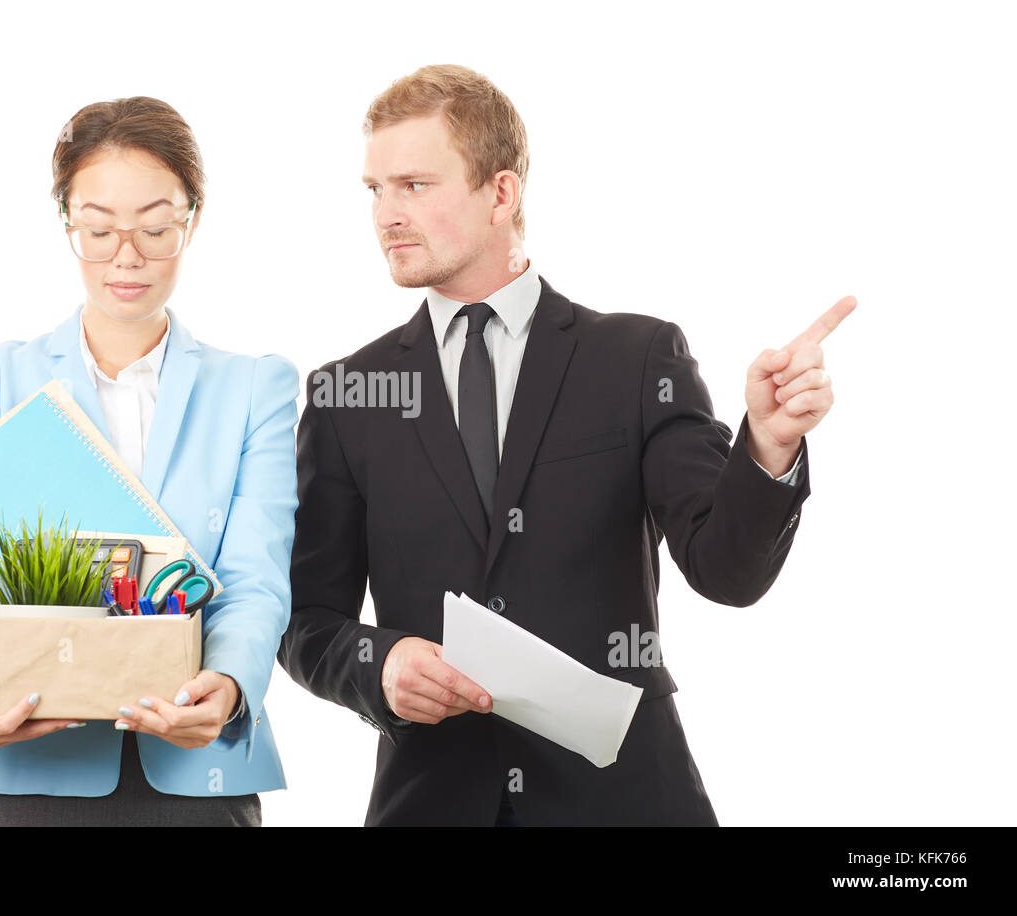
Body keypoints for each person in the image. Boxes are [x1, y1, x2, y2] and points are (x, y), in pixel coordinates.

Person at [278, 64, 855, 826]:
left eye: (414, 185)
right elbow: (305, 619)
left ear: (501, 193)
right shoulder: (346, 394)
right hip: (434, 801)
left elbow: (726, 572)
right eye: (374, 189)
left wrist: (769, 449)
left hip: (622, 800)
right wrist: (379, 666)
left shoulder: (635, 358)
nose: (386, 213)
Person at [0, 96, 298, 826]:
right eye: (97, 229)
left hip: (196, 773)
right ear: (65, 222)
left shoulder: (254, 389)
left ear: (193, 220)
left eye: (155, 228)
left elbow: (255, 581)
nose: (127, 256)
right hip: (27, 764)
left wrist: (230, 683)